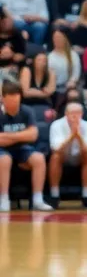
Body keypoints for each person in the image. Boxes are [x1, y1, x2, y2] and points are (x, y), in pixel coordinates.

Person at [0, 80, 51, 211]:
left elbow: (33, 135)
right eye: (11, 101)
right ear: (3, 99)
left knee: (39, 158)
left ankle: (38, 199)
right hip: (2, 150)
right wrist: (22, 135)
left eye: (17, 101)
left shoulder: (27, 111)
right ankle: (4, 199)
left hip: (22, 148)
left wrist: (8, 136)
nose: (14, 105)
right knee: (4, 160)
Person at [48, 99, 87, 208]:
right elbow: (56, 149)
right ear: (66, 114)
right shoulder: (56, 125)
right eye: (72, 113)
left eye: (78, 113)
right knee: (55, 157)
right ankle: (54, 195)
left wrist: (78, 136)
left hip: (80, 156)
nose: (75, 116)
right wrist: (71, 136)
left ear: (82, 114)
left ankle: (86, 195)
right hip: (63, 156)